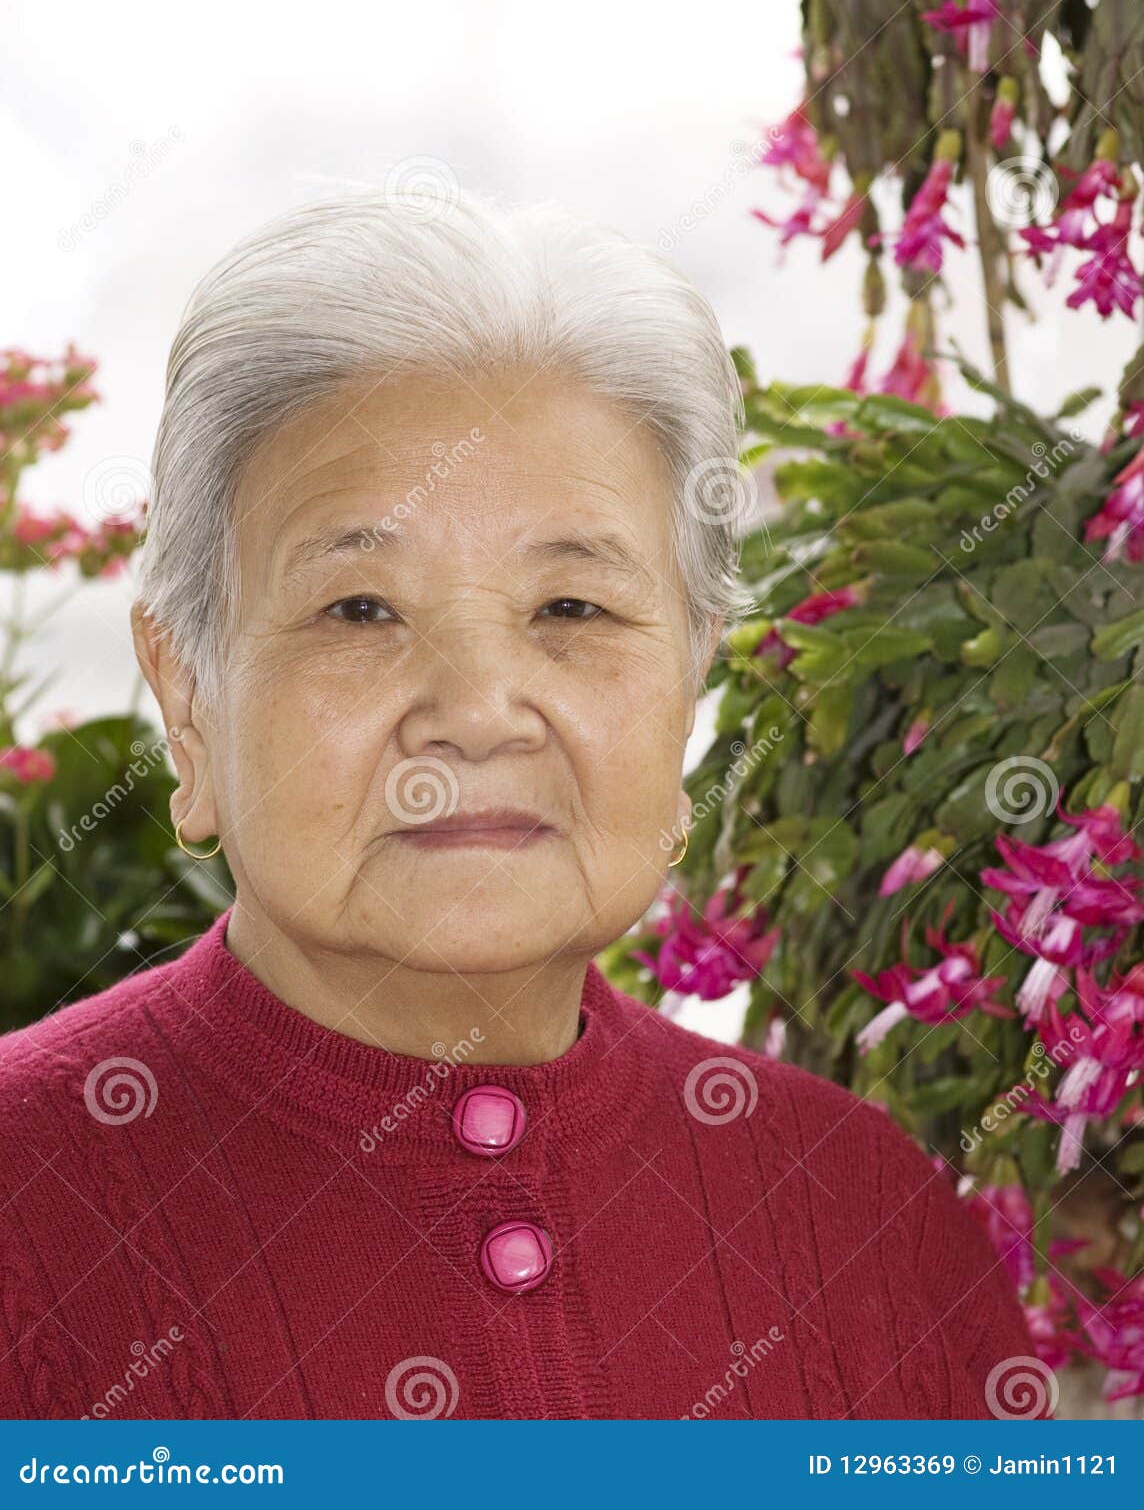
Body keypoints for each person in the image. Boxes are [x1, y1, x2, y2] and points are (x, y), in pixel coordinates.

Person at [0, 190, 1044, 1419]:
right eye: (359, 609)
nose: (482, 709)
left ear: (692, 668)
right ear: (186, 694)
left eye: (572, 610)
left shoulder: (867, 1217)